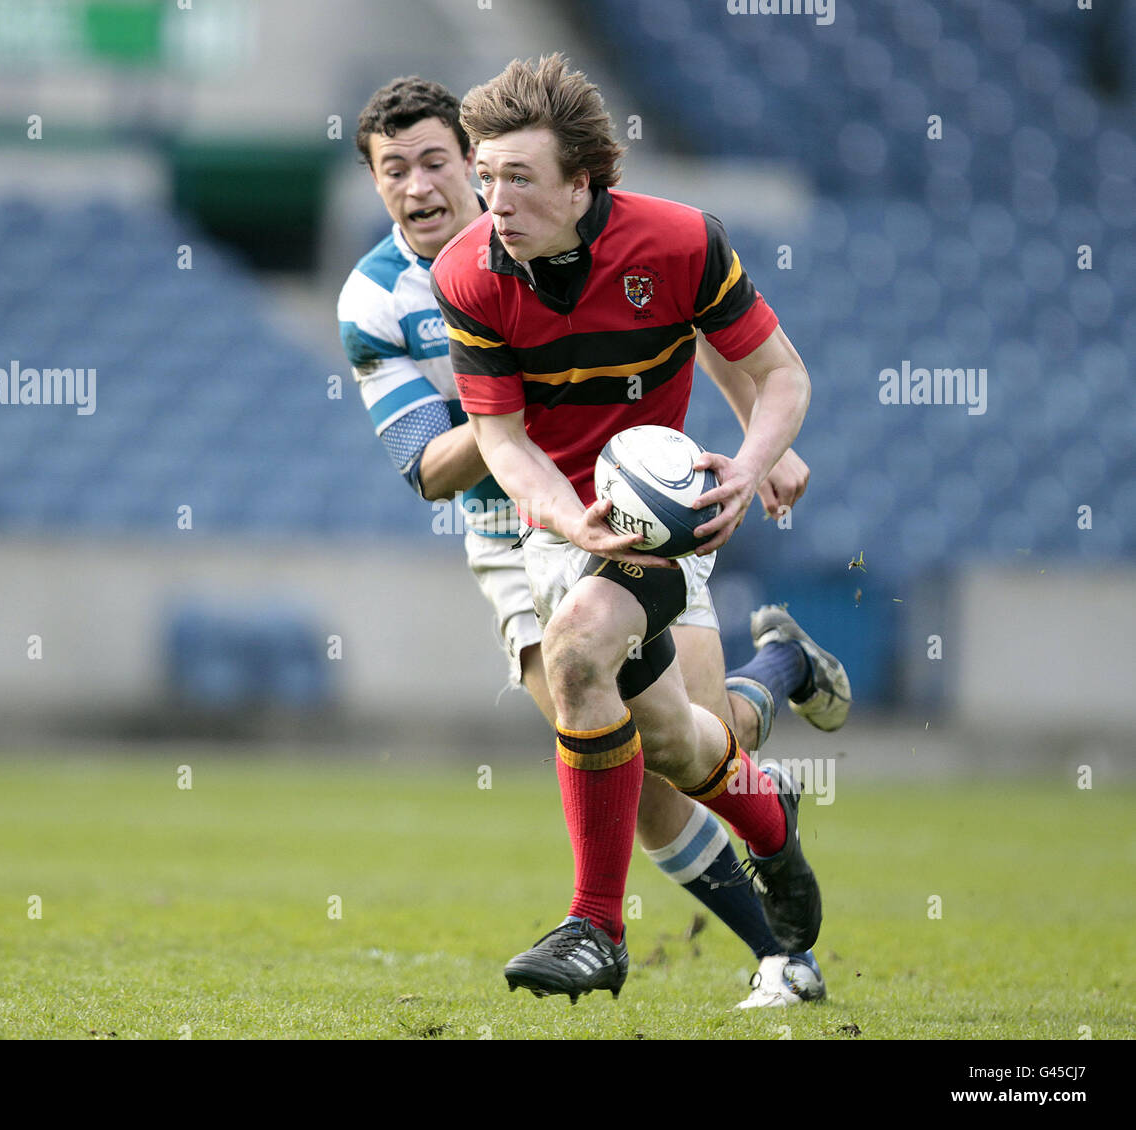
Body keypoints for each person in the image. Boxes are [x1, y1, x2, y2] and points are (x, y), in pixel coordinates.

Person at [342, 74, 848, 1006]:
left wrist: (756, 452)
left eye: (442, 164)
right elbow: (442, 460)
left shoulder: (671, 239)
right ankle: (776, 728)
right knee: (675, 749)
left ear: (578, 184)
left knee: (590, 671)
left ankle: (646, 936)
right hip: (519, 528)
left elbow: (704, 337)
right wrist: (548, 441)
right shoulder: (398, 296)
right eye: (392, 172)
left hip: (647, 514)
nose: (430, 190)